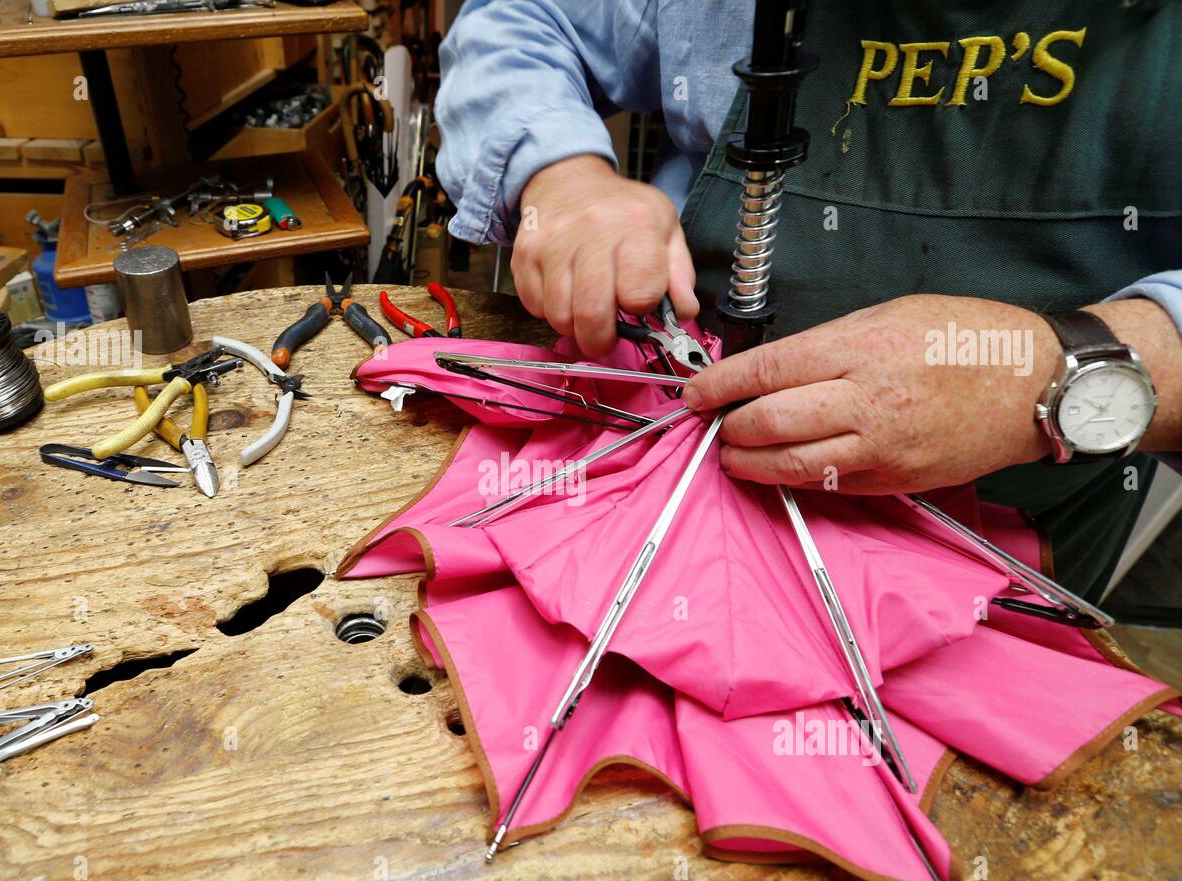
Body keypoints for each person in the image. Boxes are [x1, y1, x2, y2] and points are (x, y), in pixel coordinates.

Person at [433, 1, 1182, 598]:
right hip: (665, 445)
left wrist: (1052, 372)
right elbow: (530, 17)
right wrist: (561, 173)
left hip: (1016, 525)